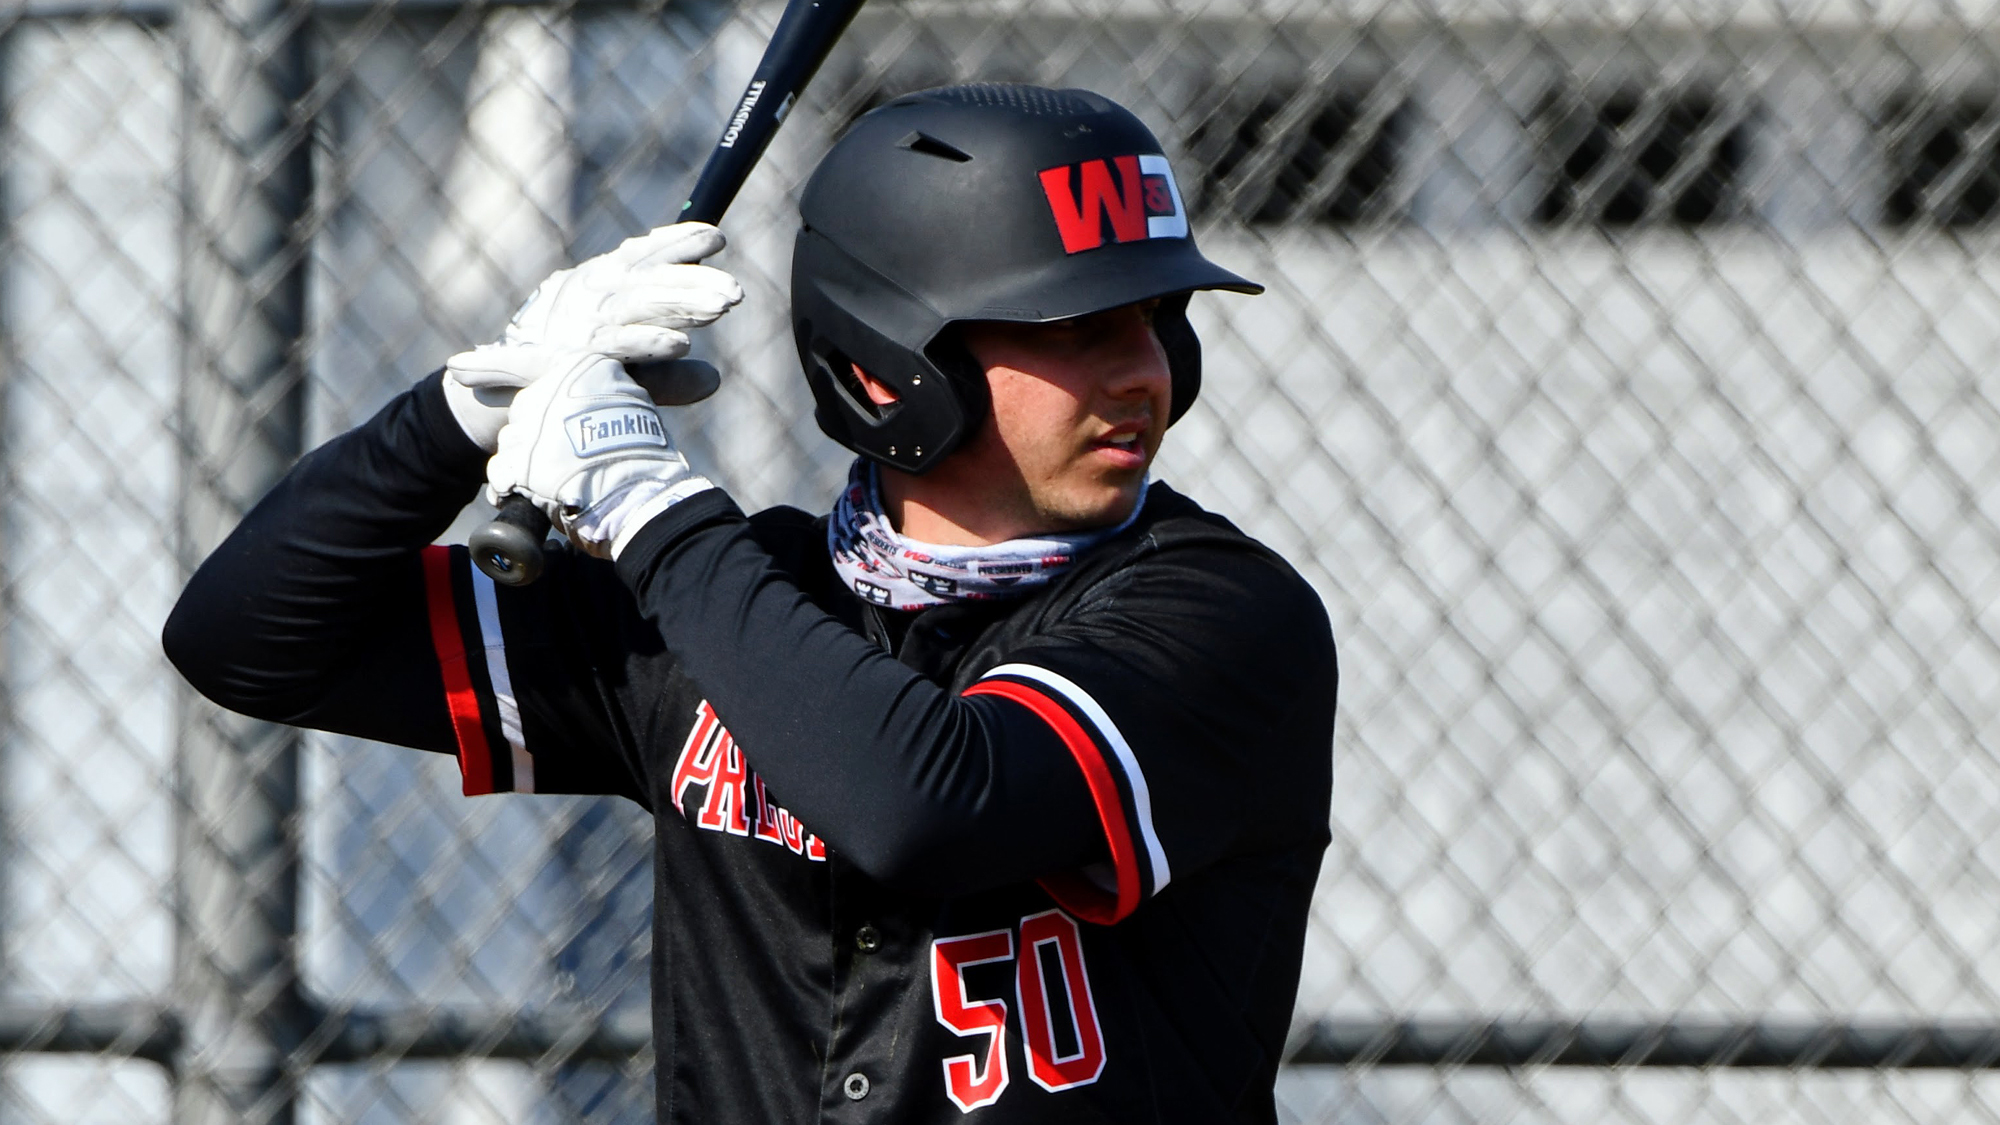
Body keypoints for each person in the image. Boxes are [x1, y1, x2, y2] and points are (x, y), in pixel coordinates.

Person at [165, 83, 1336, 1124]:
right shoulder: (743, 597)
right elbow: (247, 638)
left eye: (1155, 320)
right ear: (887, 365)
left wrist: (649, 508)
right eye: (1075, 331)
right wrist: (458, 416)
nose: (1143, 370)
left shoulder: (1220, 614)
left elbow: (928, 806)